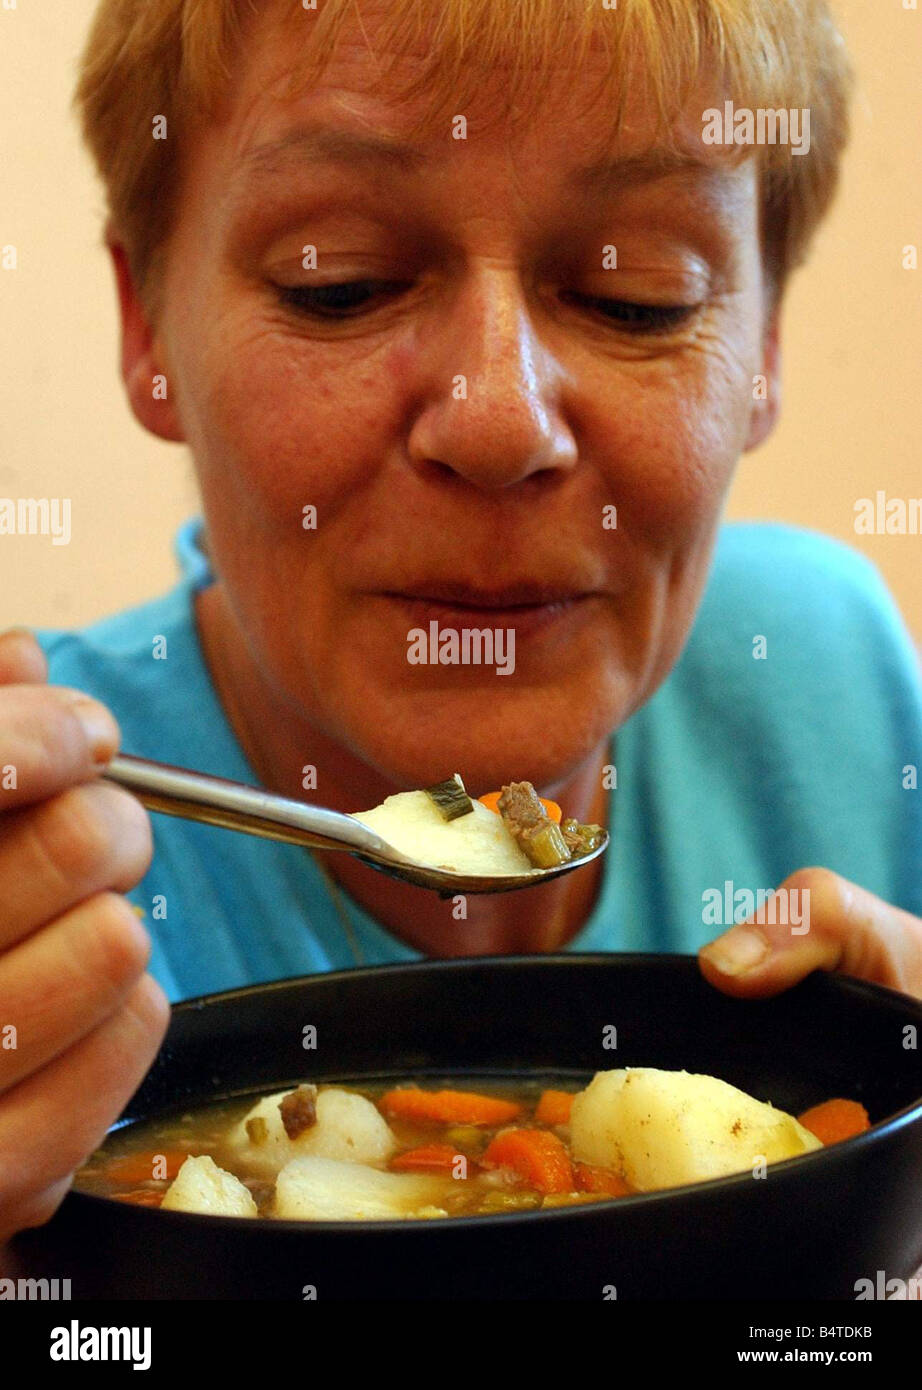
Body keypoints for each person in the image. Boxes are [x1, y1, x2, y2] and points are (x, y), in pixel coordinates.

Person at [1, 0, 920, 1252]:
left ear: (761, 347)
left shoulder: (835, 676)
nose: (498, 420)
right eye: (343, 283)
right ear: (148, 329)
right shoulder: (31, 863)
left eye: (636, 295)